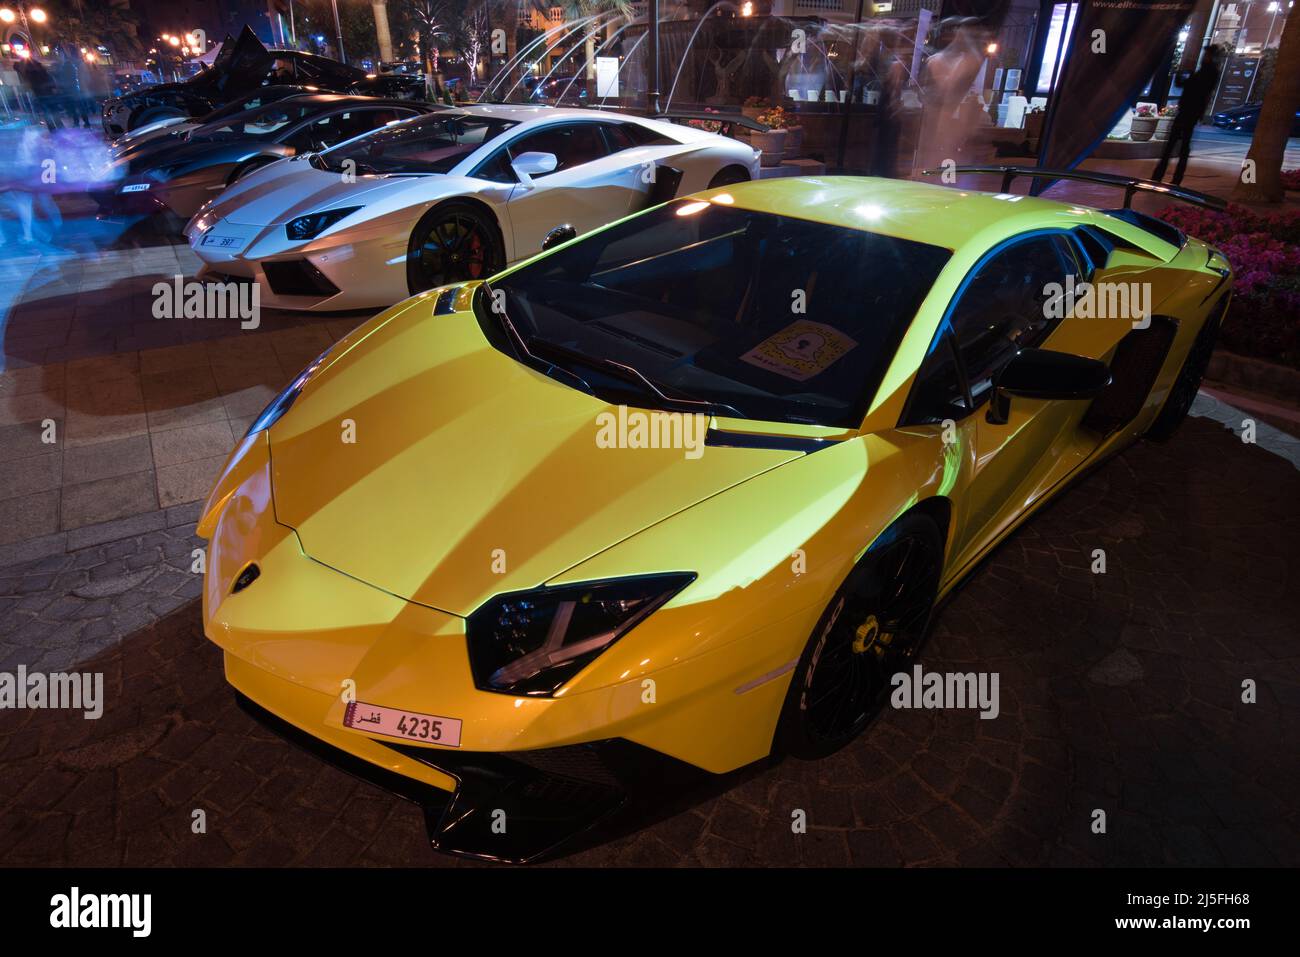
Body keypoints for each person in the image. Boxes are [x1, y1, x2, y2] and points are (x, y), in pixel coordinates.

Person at [1153, 45, 1222, 186]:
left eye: (1207, 54)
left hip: (1190, 112)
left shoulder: (1209, 73)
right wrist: (1183, 72)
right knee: (1175, 145)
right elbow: (1182, 84)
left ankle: (1169, 177)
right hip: (1187, 111)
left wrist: (1188, 75)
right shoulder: (1202, 72)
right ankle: (1162, 176)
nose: (1204, 57)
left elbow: (1196, 89)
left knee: (1179, 146)